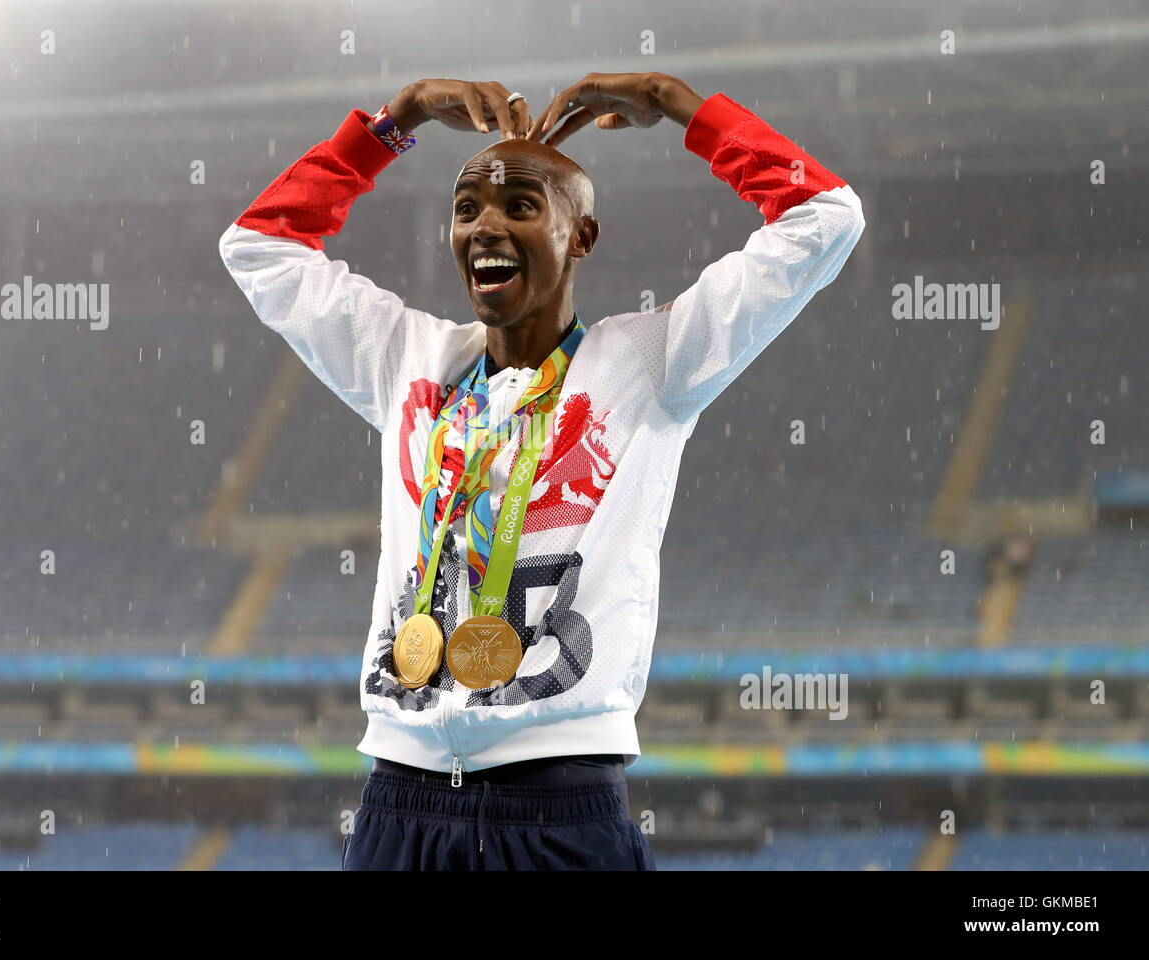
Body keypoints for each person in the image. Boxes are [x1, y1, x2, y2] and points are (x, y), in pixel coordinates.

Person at [219, 72, 865, 870]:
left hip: (559, 812)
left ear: (582, 236)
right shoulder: (408, 360)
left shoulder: (651, 364)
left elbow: (825, 218)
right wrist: (400, 117)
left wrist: (678, 106)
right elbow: (258, 244)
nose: (485, 226)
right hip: (397, 807)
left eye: (520, 206)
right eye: (467, 210)